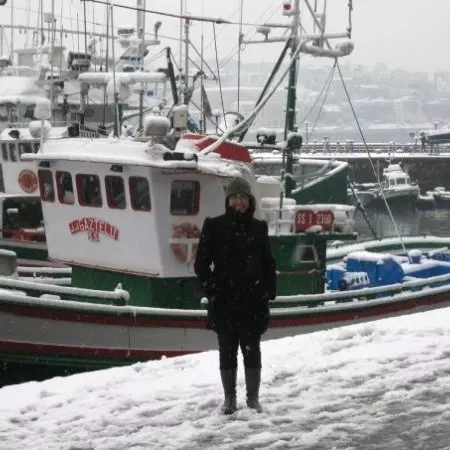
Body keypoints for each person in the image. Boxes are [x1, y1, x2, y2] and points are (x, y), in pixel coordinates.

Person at [194, 177, 277, 414]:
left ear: (249, 200)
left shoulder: (259, 227)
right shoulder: (214, 226)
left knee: (252, 349)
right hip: (225, 301)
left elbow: (268, 264)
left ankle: (253, 399)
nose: (239, 202)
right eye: (235, 197)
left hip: (252, 301)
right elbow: (201, 265)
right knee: (227, 350)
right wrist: (213, 291)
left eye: (243, 197)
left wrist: (268, 292)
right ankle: (229, 399)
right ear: (228, 200)